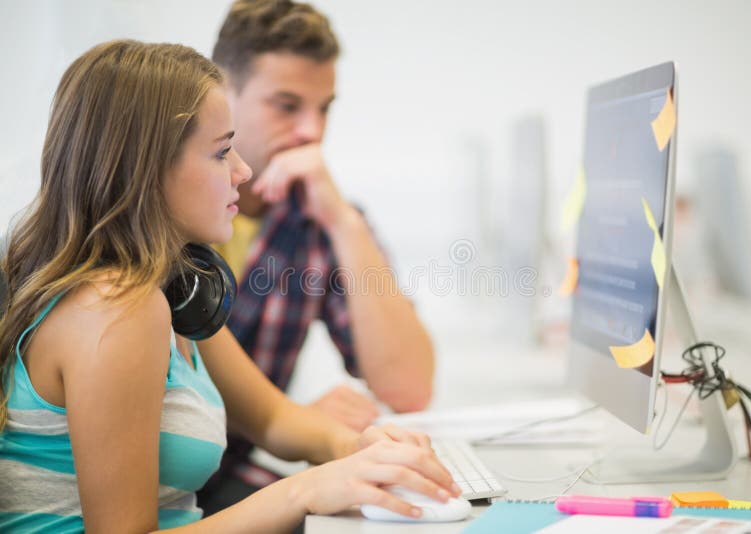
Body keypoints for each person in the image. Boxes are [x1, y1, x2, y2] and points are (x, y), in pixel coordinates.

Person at [0, 40, 459, 533]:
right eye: (221, 152)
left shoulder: (172, 289)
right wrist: (305, 491)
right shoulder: (118, 310)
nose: (242, 171)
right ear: (148, 172)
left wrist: (359, 449)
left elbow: (270, 417)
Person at [201, 0, 437, 509]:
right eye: (287, 105)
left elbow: (410, 388)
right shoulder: (174, 213)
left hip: (236, 478)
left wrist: (343, 222)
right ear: (222, 92)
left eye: (324, 107)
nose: (313, 131)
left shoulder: (318, 217)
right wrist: (297, 416)